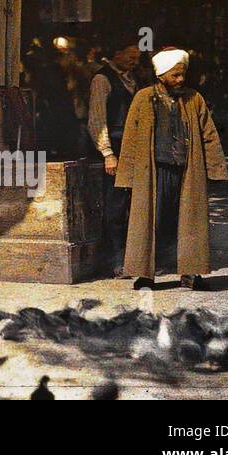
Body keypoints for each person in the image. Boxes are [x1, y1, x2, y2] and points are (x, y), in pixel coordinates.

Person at [116, 47, 228, 290]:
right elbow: (131, 138)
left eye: (182, 74)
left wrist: (215, 170)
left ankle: (191, 273)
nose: (180, 79)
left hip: (186, 170)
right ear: (161, 74)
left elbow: (209, 134)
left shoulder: (194, 99)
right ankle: (144, 275)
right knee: (149, 221)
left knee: (189, 221)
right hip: (154, 171)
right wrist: (127, 175)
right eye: (175, 75)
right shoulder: (143, 98)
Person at [87, 32, 148, 277]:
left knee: (133, 203)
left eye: (138, 57)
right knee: (115, 205)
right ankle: (114, 259)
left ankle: (134, 258)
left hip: (135, 148)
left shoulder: (135, 79)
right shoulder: (102, 79)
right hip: (115, 148)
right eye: (130, 56)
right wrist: (107, 153)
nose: (135, 61)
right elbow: (97, 119)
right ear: (116, 54)